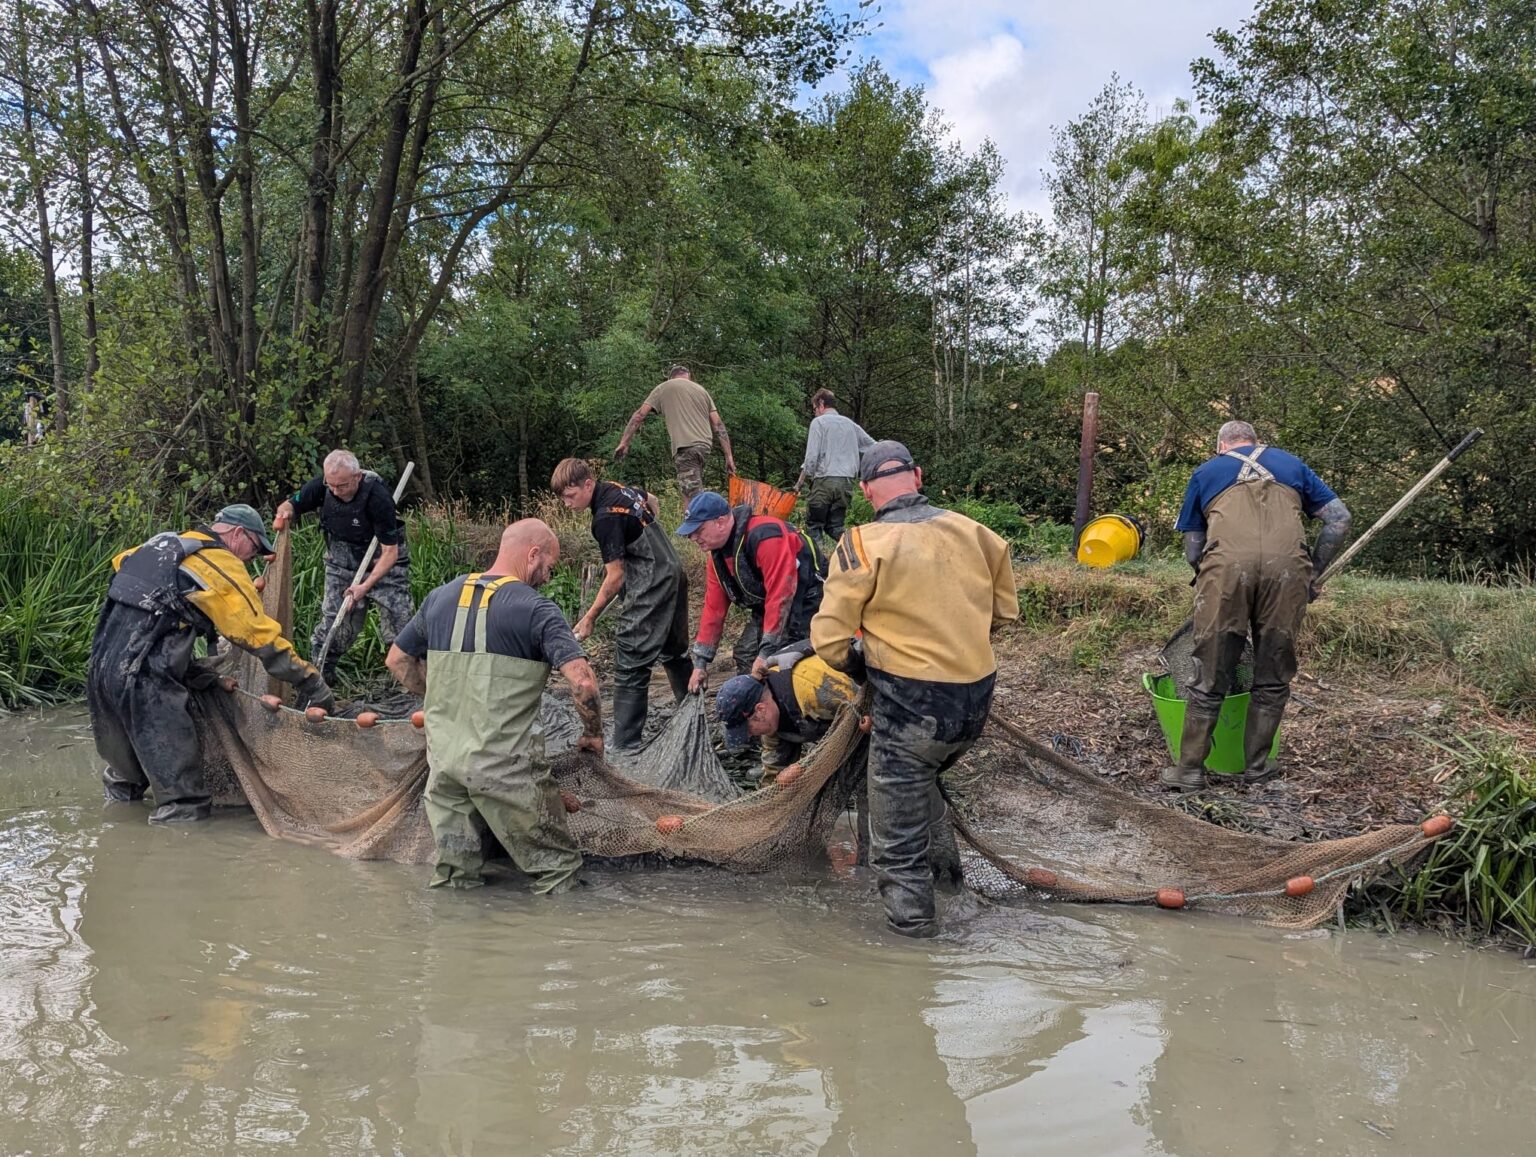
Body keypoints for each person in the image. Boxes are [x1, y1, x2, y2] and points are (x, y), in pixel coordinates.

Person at [810, 441, 1019, 938]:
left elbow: (829, 641)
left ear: (865, 491)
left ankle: (912, 949)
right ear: (917, 476)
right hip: (974, 704)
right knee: (922, 785)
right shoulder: (979, 533)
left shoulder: (862, 543)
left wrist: (863, 667)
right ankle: (950, 884)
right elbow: (1004, 615)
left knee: (896, 845)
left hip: (912, 709)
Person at [385, 519, 603, 893]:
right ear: (533, 553)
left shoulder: (440, 597)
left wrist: (440, 701)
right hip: (507, 769)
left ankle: (452, 945)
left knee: (455, 879)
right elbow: (583, 684)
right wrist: (593, 733)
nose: (548, 577)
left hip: (445, 767)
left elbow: (397, 660)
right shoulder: (538, 609)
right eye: (549, 567)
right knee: (558, 874)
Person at [88, 504, 334, 823]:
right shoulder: (219, 562)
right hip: (147, 686)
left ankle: (116, 841)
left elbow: (135, 590)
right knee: (184, 804)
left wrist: (191, 669)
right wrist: (310, 681)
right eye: (254, 547)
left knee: (125, 781)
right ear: (236, 534)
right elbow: (257, 635)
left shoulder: (158, 544)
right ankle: (180, 862)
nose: (252, 558)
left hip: (100, 675)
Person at [1166, 420, 1352, 789]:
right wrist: (1311, 572)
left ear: (1221, 445)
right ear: (1255, 442)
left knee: (1210, 671)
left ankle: (1188, 772)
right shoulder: (1292, 464)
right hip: (1288, 573)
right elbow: (1339, 519)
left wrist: (1208, 576)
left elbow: (1192, 546)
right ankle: (1258, 770)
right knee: (1272, 673)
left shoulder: (1207, 471)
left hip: (1226, 573)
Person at [551, 457, 693, 750]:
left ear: (587, 484)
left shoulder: (604, 517)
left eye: (570, 496)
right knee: (674, 651)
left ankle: (625, 745)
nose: (567, 504)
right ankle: (692, 714)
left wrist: (589, 618)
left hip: (652, 582)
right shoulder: (620, 490)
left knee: (630, 656)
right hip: (673, 571)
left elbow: (615, 578)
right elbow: (651, 500)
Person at [274, 449, 413, 683]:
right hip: (340, 563)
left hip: (383, 563)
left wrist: (365, 586)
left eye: (343, 486)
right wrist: (284, 513)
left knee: (399, 620)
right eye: (332, 486)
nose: (337, 491)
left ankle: (406, 680)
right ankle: (321, 677)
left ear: (357, 476)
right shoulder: (321, 487)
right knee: (335, 621)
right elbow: (289, 505)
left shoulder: (378, 498)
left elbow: (391, 552)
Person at [676, 490, 826, 691]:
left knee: (783, 657)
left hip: (808, 599)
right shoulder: (717, 557)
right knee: (746, 653)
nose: (693, 537)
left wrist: (765, 654)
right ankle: (755, 703)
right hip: (769, 605)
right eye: (690, 533)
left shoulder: (766, 536)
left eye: (699, 530)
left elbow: (781, 595)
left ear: (720, 522)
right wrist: (700, 663)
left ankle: (793, 708)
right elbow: (713, 609)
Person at [714, 646, 859, 783]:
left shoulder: (819, 693)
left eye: (748, 729)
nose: (750, 735)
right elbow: (774, 770)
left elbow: (871, 707)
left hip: (871, 698)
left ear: (760, 710)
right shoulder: (769, 716)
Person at [612, 364, 736, 499]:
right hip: (704, 446)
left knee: (692, 498)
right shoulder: (702, 391)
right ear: (688, 377)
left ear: (671, 377)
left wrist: (624, 442)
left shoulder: (665, 387)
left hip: (686, 446)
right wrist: (729, 457)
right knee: (693, 490)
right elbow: (718, 425)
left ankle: (704, 517)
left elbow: (639, 416)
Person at [792, 388, 874, 546]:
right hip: (847, 482)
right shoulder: (850, 424)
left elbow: (811, 458)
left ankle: (818, 566)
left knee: (814, 526)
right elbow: (873, 446)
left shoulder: (819, 423)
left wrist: (799, 484)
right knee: (835, 527)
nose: (815, 413)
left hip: (825, 481)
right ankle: (859, 551)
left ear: (821, 404)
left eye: (815, 409)